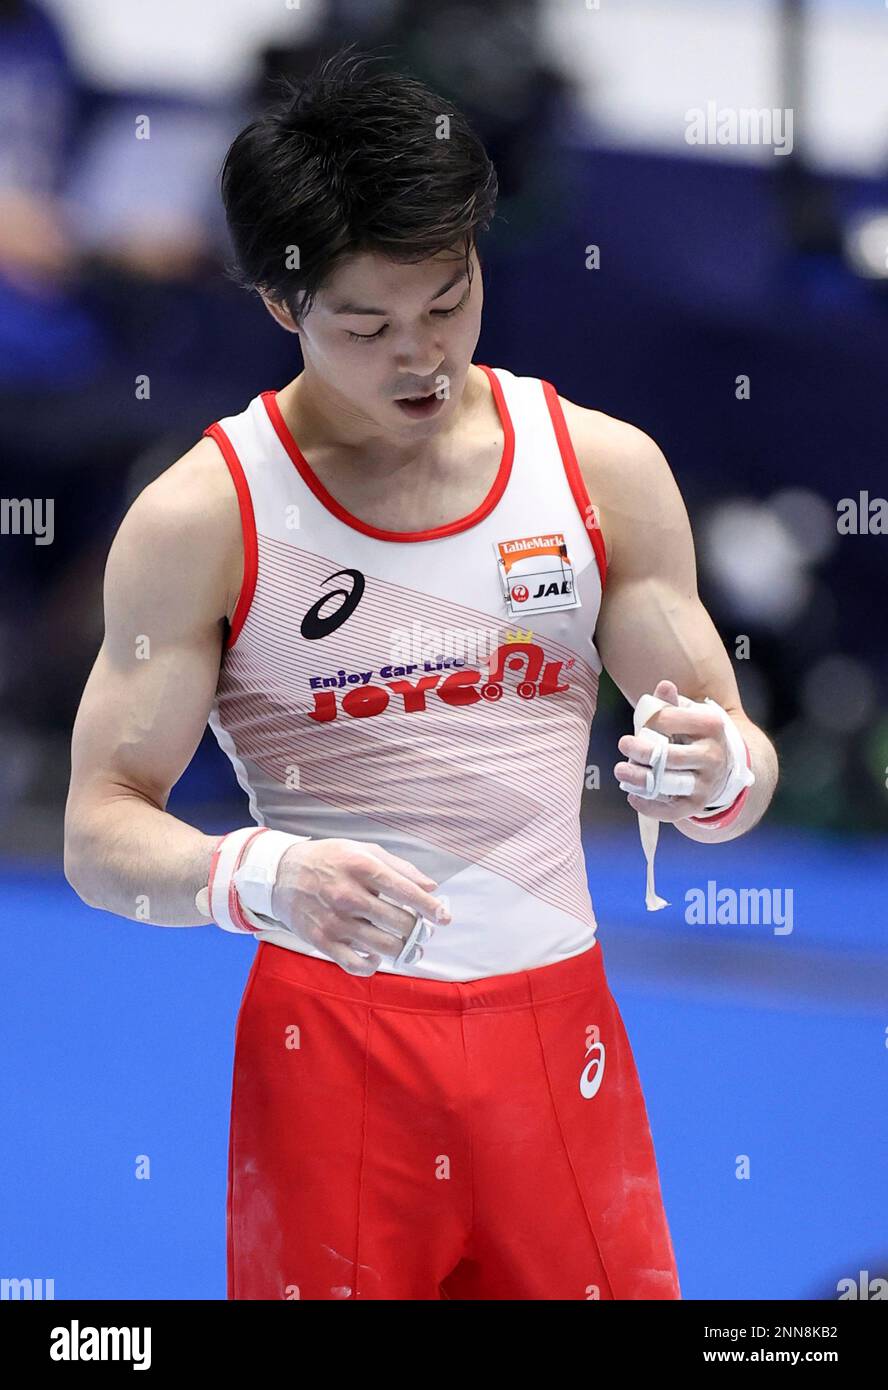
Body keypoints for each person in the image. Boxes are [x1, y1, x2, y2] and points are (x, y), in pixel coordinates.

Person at [64, 49, 778, 1301]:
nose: (423, 358)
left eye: (448, 303)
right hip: (331, 1046)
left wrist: (719, 770)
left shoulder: (600, 472)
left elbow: (731, 783)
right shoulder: (207, 518)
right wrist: (258, 872)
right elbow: (95, 831)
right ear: (285, 308)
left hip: (561, 1045)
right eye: (369, 326)